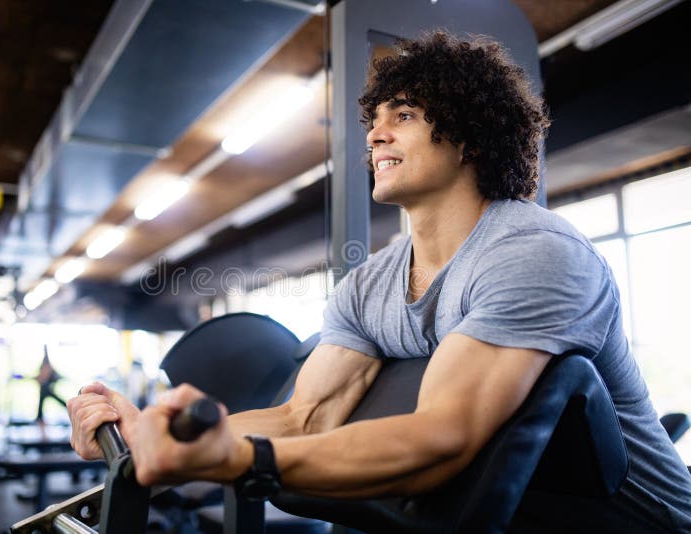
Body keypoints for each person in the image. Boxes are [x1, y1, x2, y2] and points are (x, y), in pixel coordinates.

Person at [67, 31, 691, 532]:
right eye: (377, 118)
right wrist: (154, 432)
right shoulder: (369, 287)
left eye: (407, 114)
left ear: (470, 135)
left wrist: (243, 461)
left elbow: (442, 440)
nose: (375, 133)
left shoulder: (534, 253)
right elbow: (304, 418)